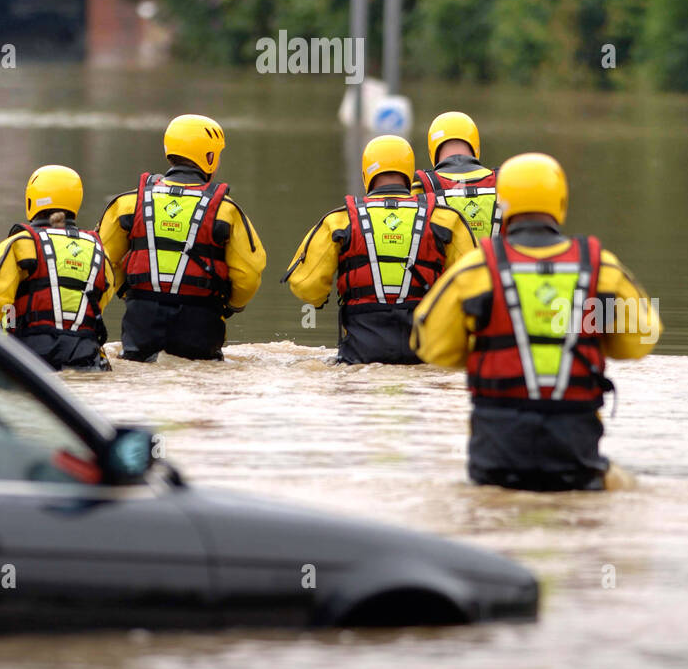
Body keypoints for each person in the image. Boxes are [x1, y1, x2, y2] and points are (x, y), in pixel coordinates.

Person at [411, 152, 662, 491]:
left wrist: (480, 351)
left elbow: (428, 344)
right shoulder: (601, 268)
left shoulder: (476, 269)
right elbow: (639, 341)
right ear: (560, 202)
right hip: (573, 451)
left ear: (504, 203)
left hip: (497, 454)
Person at [283, 134, 475, 366]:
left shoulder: (340, 221)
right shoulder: (445, 219)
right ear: (409, 172)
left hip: (360, 355)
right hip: (425, 354)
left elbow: (306, 285)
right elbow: (473, 286)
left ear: (367, 174)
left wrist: (317, 302)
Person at [97, 114, 265, 362]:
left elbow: (100, 263)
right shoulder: (226, 211)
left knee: (138, 364)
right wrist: (232, 305)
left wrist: (127, 290)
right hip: (200, 325)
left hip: (141, 322)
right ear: (209, 157)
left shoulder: (128, 204)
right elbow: (249, 273)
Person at [0, 164, 115, 372]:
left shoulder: (20, 244)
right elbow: (100, 303)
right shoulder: (100, 251)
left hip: (30, 360)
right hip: (86, 360)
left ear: (32, 199)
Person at [414, 110, 500, 242]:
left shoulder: (421, 188)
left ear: (432, 149)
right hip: (495, 262)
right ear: (476, 145)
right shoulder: (504, 184)